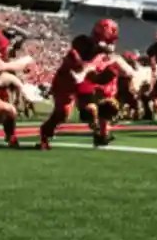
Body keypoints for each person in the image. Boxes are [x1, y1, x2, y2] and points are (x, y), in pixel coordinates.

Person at [38, 19, 125, 149]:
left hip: (86, 79)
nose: (111, 43)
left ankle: (102, 133)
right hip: (68, 79)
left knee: (105, 103)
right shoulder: (82, 44)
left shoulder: (105, 51)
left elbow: (103, 67)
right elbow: (80, 66)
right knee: (62, 113)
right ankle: (45, 135)